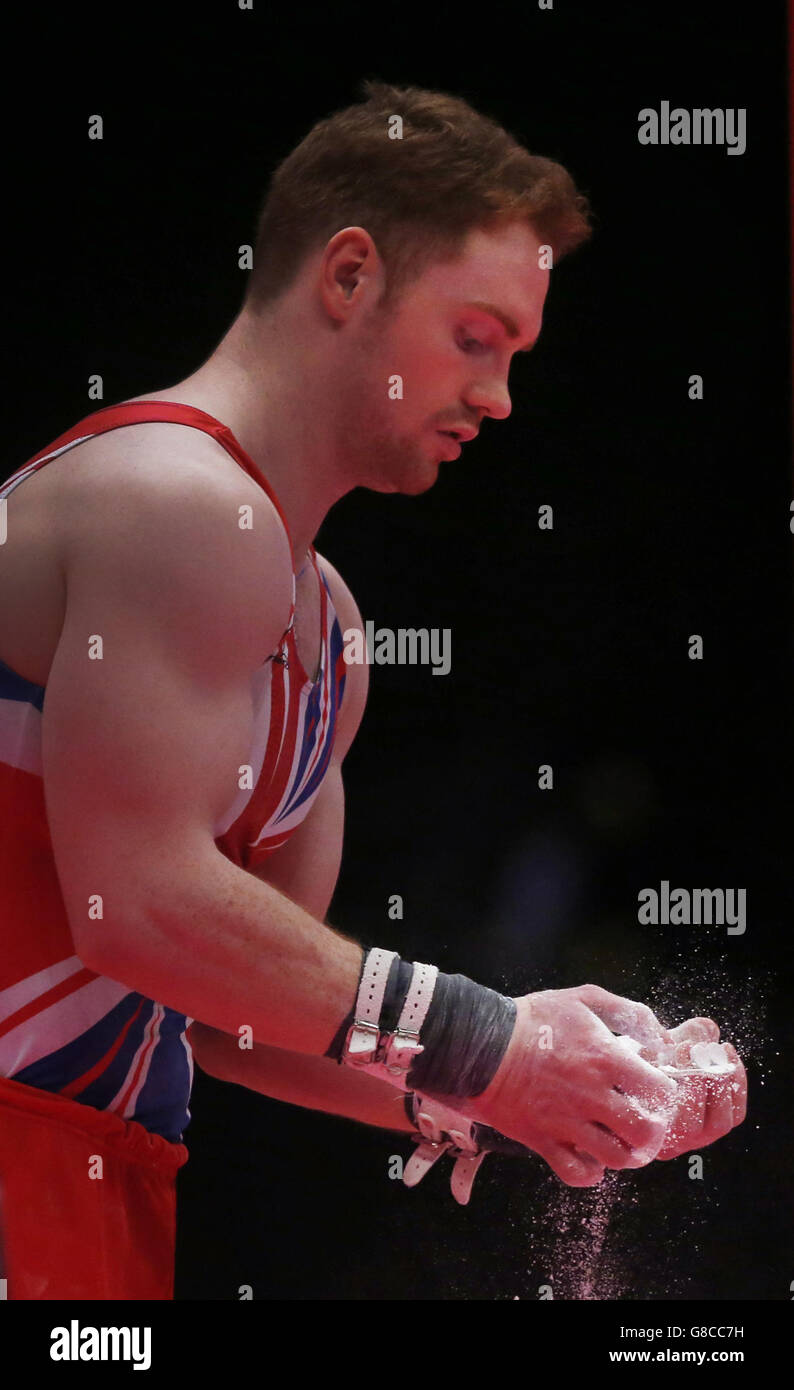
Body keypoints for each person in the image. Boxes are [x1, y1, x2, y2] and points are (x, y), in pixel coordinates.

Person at [0, 80, 746, 1299]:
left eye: (515, 357)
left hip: (96, 1196)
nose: (499, 398)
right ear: (347, 277)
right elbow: (135, 904)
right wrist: (494, 1044)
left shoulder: (327, 633)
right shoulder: (173, 500)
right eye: (474, 337)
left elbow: (227, 1018)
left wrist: (542, 1097)